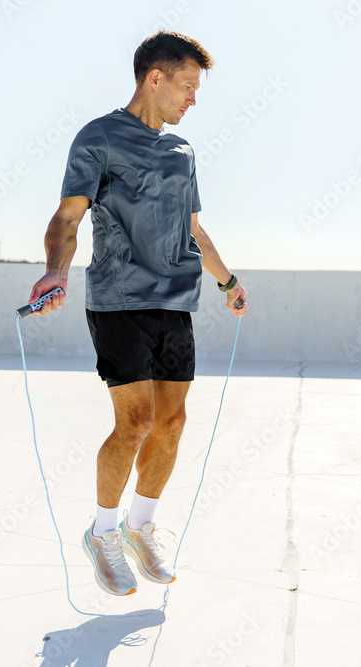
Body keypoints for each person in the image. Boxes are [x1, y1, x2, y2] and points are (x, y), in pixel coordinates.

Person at [26, 31, 247, 596]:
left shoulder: (182, 152)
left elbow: (193, 227)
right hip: (120, 300)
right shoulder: (98, 138)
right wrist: (56, 270)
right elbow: (68, 218)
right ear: (156, 77)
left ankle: (141, 526)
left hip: (176, 302)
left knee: (172, 424)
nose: (193, 100)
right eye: (188, 87)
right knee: (136, 422)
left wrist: (228, 280)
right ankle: (101, 533)